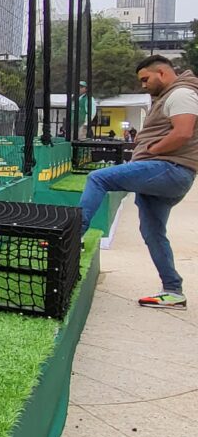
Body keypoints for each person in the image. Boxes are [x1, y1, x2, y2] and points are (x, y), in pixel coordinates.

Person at [80, 56, 198, 309]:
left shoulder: (181, 94)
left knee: (98, 178)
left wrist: (153, 149)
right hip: (166, 173)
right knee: (153, 233)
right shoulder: (169, 96)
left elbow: (183, 132)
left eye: (146, 79)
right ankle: (173, 291)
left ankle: (72, 236)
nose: (143, 84)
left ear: (163, 73)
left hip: (169, 169)